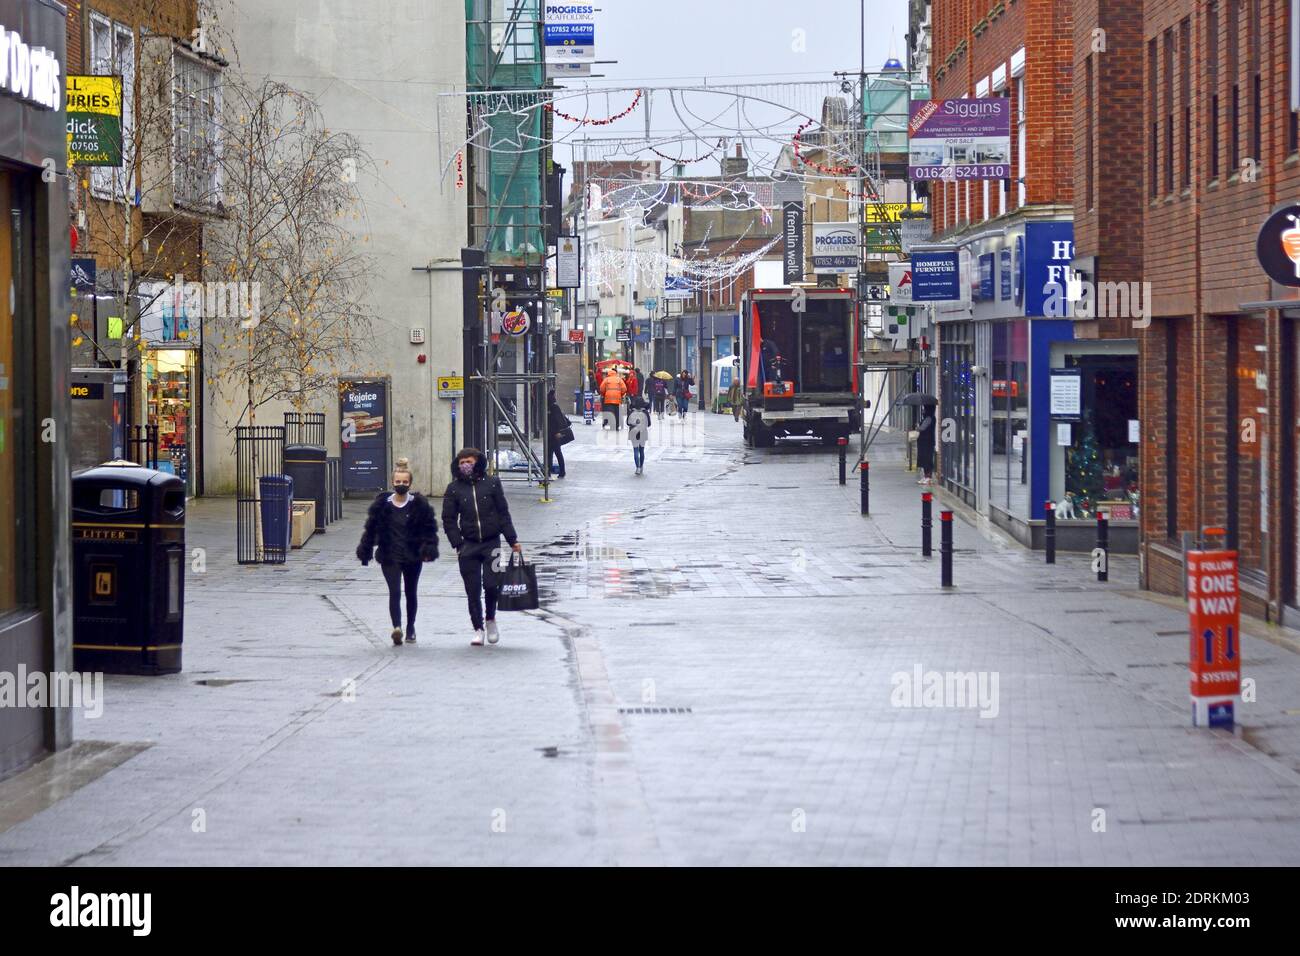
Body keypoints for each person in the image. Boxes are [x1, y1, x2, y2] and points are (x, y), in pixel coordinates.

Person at [442, 448, 521, 646]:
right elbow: (448, 519)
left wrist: (513, 540)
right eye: (461, 463)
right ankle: (478, 628)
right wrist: (457, 543)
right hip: (467, 545)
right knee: (473, 589)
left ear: (477, 461)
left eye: (468, 461)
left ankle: (491, 619)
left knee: (492, 585)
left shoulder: (492, 483)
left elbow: (503, 513)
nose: (465, 465)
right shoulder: (453, 489)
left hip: (492, 542)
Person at [356, 457, 439, 646]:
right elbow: (371, 528)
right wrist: (366, 549)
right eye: (398, 482)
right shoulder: (383, 505)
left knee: (411, 592)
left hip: (412, 555)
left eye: (404, 482)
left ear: (410, 483)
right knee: (395, 591)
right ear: (392, 483)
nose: (401, 485)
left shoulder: (419, 505)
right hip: (390, 555)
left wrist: (428, 549)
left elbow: (429, 528)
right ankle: (397, 628)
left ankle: (411, 627)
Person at [546, 389, 569, 479]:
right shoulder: (551, 407)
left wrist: (559, 432)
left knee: (556, 452)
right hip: (551, 434)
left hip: (554, 434)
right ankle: (549, 471)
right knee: (550, 453)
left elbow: (560, 421)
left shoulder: (554, 408)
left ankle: (561, 471)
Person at [627, 396, 652, 475]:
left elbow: (627, 422)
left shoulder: (632, 412)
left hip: (633, 432)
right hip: (643, 432)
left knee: (635, 450)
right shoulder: (645, 412)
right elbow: (649, 424)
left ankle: (637, 467)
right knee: (641, 450)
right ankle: (641, 466)